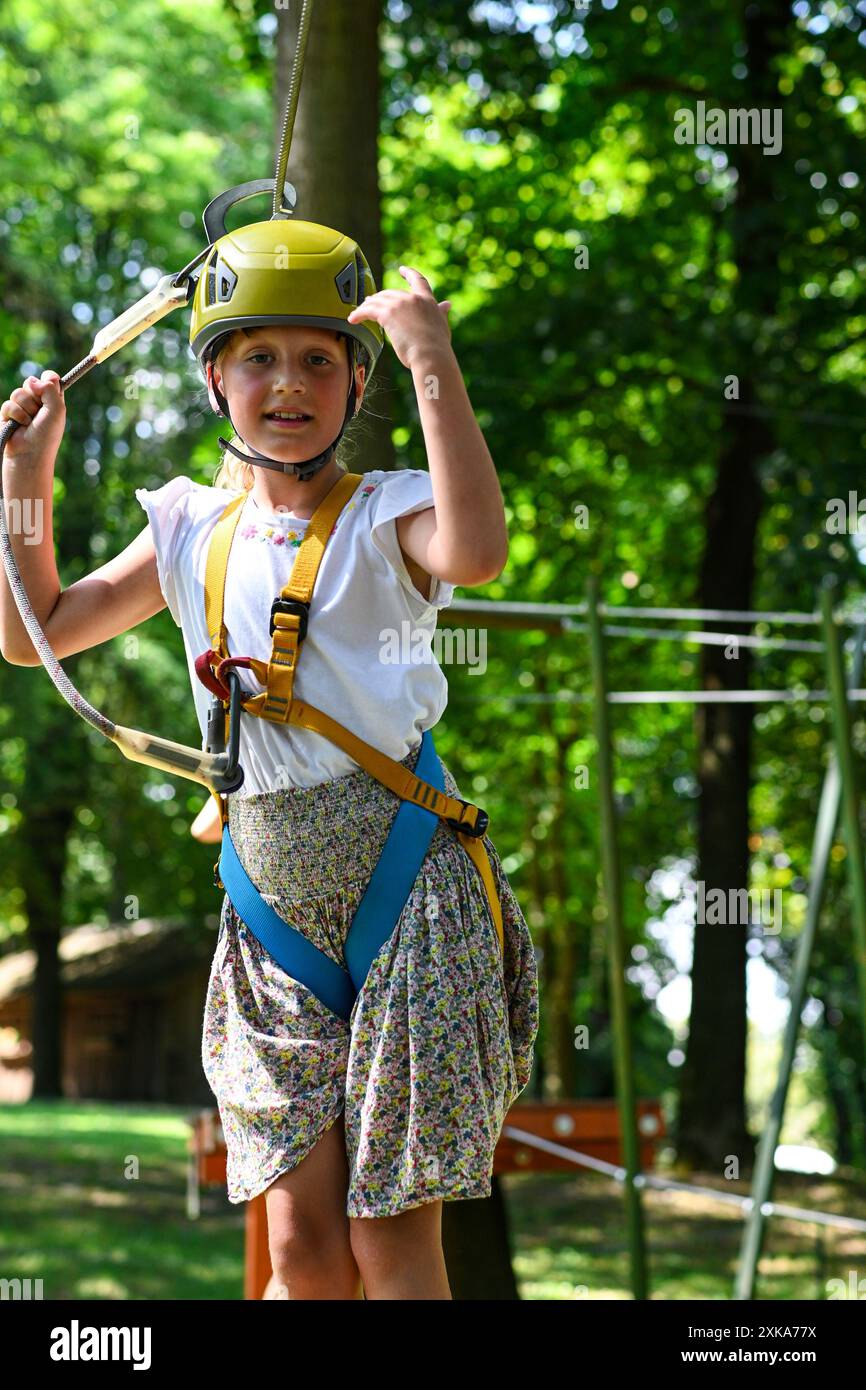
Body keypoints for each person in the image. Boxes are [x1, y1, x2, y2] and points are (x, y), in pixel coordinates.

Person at [0, 221, 539, 1301]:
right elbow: (31, 627)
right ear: (212, 378)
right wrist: (27, 470)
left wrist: (431, 353)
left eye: (317, 359)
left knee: (391, 1242)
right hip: (271, 901)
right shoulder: (189, 526)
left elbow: (477, 549)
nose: (287, 383)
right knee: (296, 1249)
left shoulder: (390, 512)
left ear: (353, 382)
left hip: (406, 887)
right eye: (258, 357)